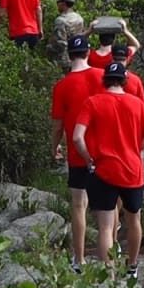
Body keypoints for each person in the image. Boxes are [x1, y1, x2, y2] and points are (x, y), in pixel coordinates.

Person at [72, 62, 144, 273]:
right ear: (125, 81)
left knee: (105, 227)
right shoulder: (137, 104)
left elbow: (77, 137)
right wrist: (134, 149)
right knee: (133, 219)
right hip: (132, 171)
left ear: (104, 80)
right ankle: (132, 266)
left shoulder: (92, 103)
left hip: (104, 171)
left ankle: (107, 273)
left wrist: (88, 158)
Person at [50, 34, 106, 271]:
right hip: (105, 150)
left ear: (69, 55)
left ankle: (79, 259)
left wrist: (54, 147)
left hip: (77, 152)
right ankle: (108, 259)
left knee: (78, 205)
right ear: (88, 51)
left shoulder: (62, 86)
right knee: (107, 207)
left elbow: (57, 125)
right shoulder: (103, 76)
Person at [49, 0, 87, 66]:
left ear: (63, 3)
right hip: (77, 55)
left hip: (63, 59)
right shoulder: (79, 18)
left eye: (58, 3)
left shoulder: (60, 20)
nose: (57, 5)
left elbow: (60, 43)